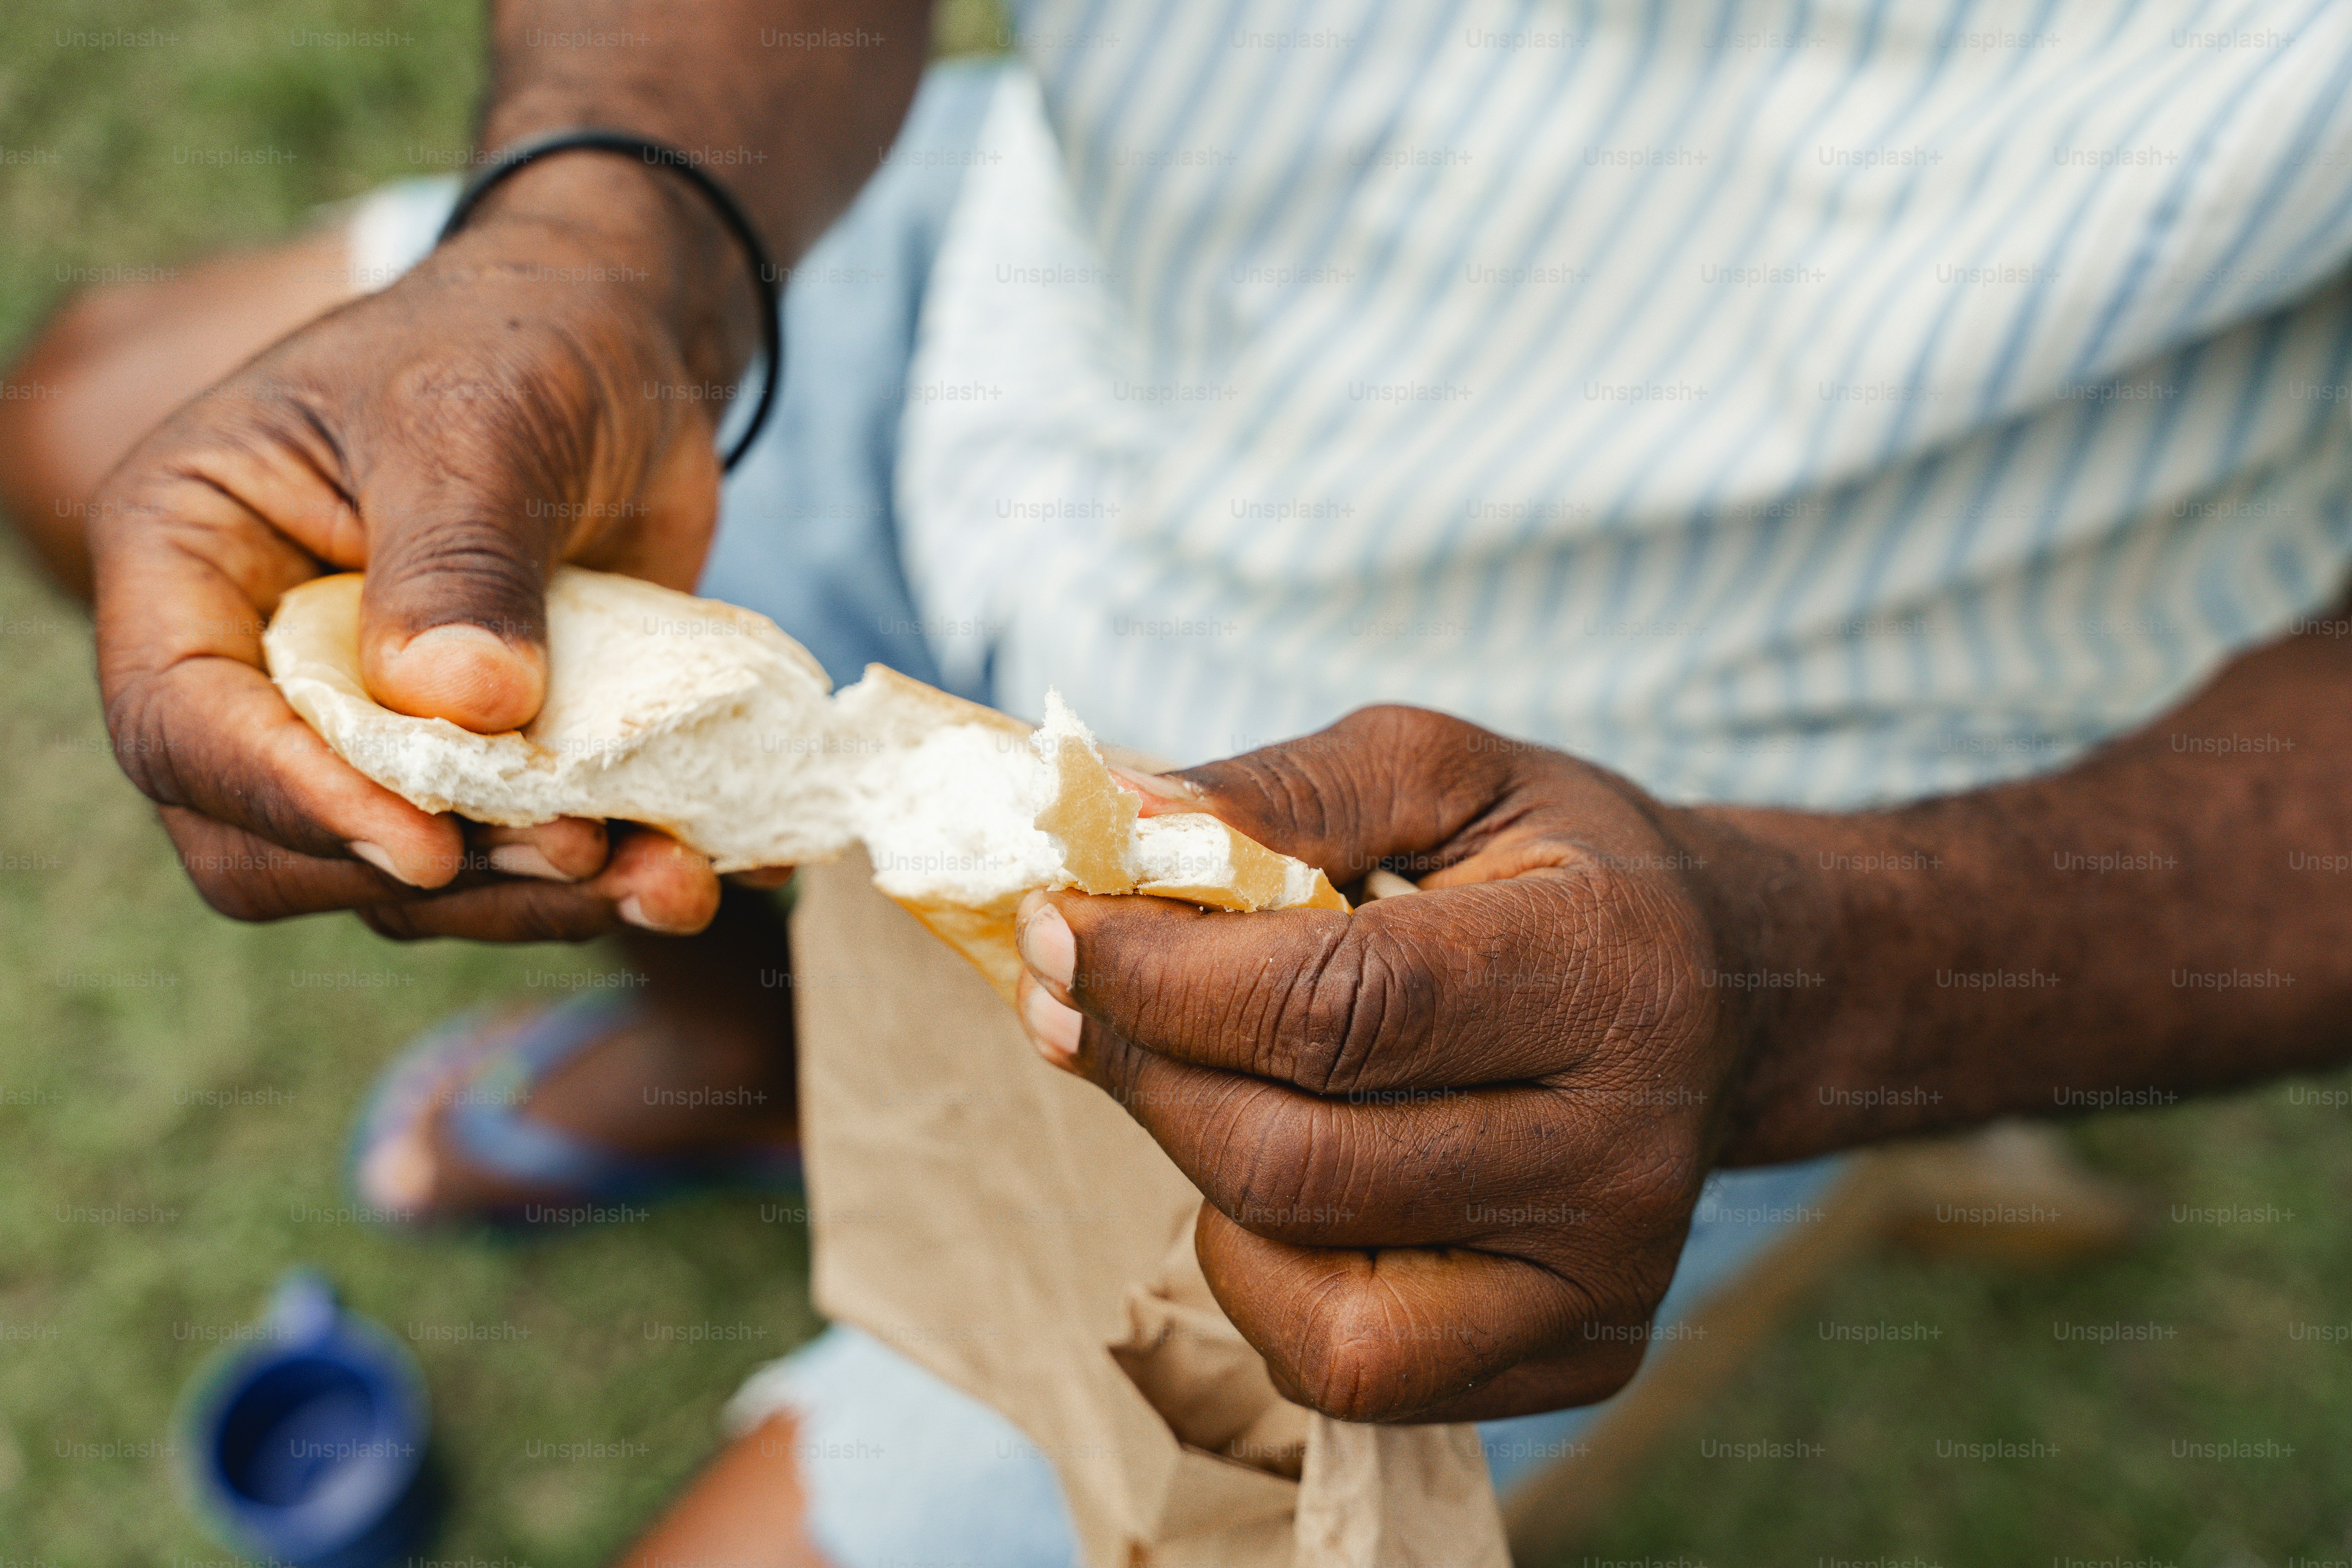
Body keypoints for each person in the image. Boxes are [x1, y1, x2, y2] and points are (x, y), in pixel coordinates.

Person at [7, 0, 2350, 1561]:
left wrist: (1826, 996)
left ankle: (1851, 1147)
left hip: (1731, 834)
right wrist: (609, 230)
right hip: (1072, 333)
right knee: (111, 443)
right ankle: (766, 1065)